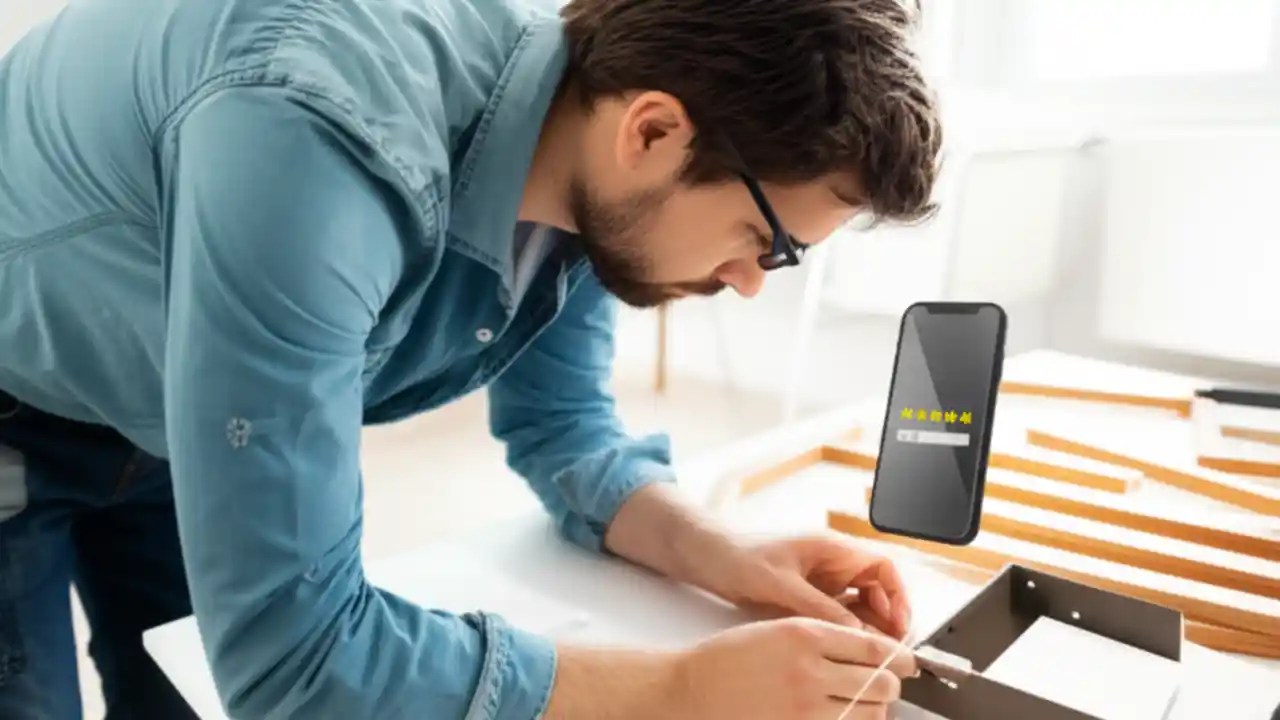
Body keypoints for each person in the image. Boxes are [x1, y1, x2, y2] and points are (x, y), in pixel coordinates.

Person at [0, 0, 941, 717]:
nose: (749, 281)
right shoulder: (313, 139)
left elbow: (563, 427)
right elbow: (297, 662)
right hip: (16, 405)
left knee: (175, 688)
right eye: (765, 239)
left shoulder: (581, 137)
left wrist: (717, 550)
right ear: (652, 131)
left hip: (174, 402)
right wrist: (680, 689)